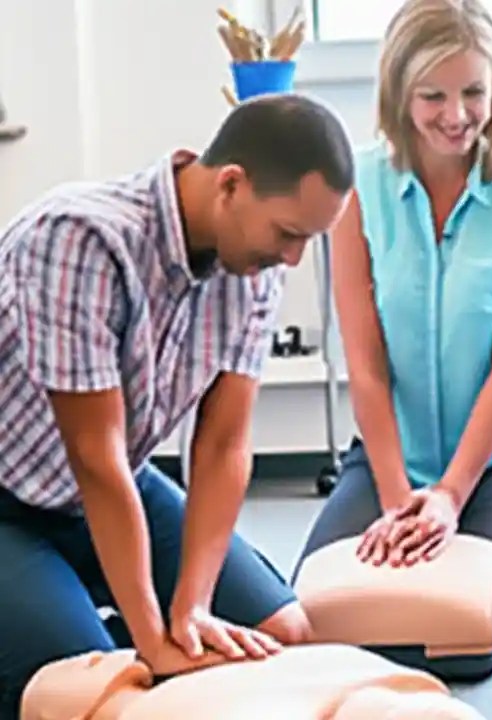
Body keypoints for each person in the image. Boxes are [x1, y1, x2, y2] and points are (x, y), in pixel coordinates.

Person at [0, 92, 354, 717]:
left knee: (283, 637)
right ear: (231, 185)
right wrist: (152, 641)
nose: (292, 258)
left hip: (112, 486)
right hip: (15, 498)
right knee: (96, 690)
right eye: (288, 234)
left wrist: (193, 608)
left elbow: (223, 444)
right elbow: (95, 455)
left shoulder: (255, 268)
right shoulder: (77, 239)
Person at [293, 0, 492, 648]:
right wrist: (397, 500)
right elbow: (366, 365)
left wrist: (449, 495)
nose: (457, 115)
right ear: (398, 92)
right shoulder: (357, 188)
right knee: (317, 608)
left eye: (474, 92)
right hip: (392, 452)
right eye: (433, 95)